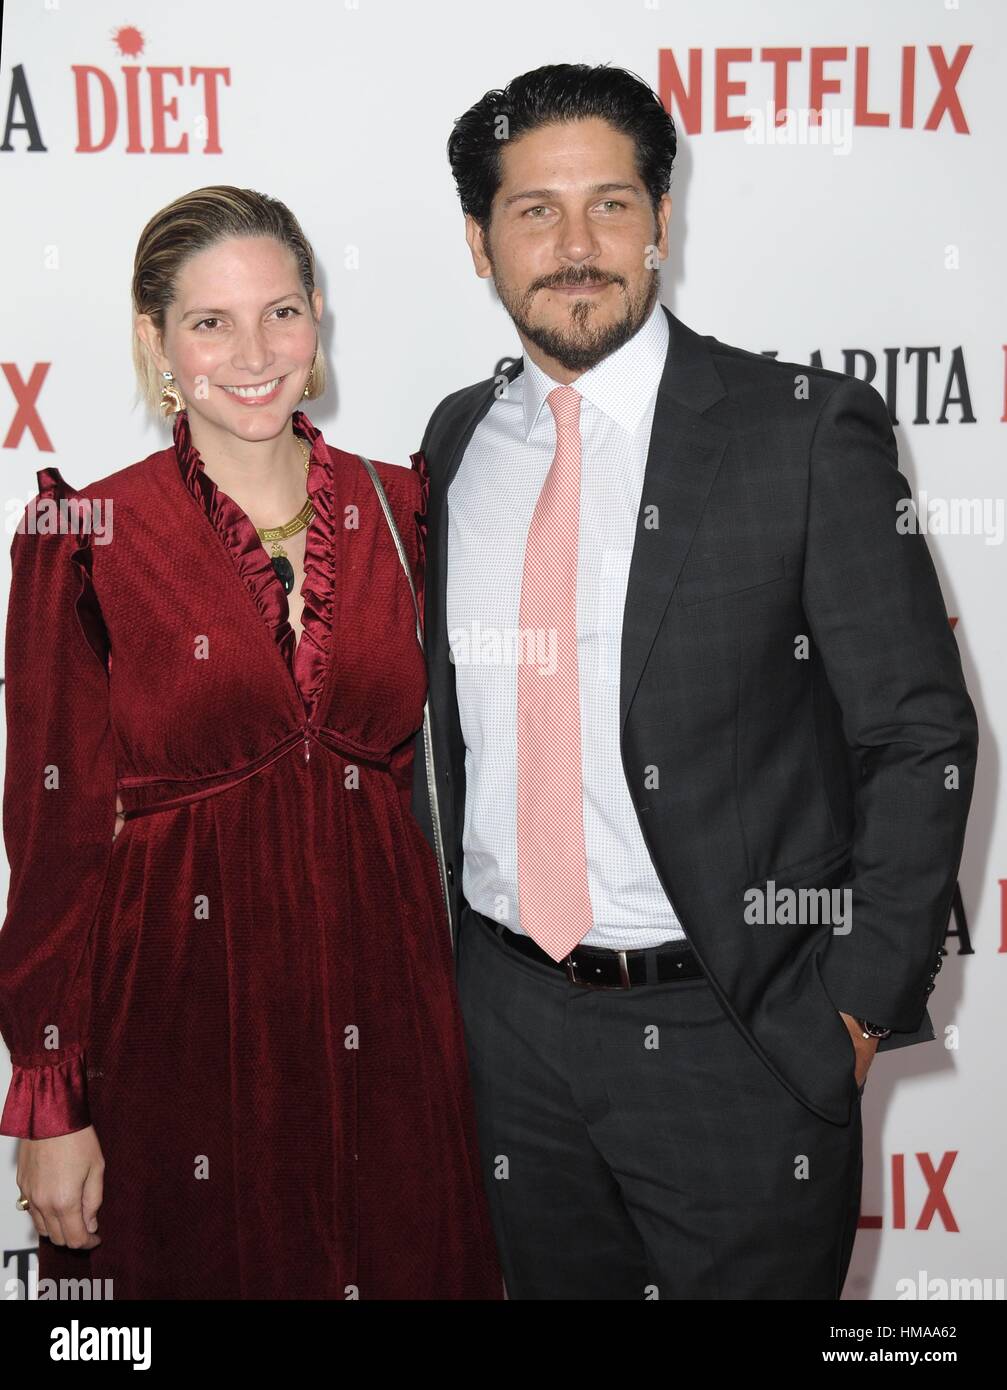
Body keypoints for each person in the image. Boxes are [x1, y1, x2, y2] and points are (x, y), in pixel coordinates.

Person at [411, 64, 978, 1299]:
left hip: (740, 1034)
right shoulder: (454, 443)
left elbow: (919, 733)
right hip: (507, 1030)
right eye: (533, 212)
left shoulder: (798, 430)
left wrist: (853, 1009)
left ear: (661, 220)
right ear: (477, 242)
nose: (576, 248)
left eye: (610, 205)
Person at [0, 185, 502, 1300]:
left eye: (281, 312)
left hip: (395, 1018)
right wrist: (51, 1099)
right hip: (177, 1023)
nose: (253, 352)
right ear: (156, 340)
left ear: (318, 315)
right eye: (210, 322)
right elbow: (53, 846)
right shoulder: (82, 537)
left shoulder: (407, 507)